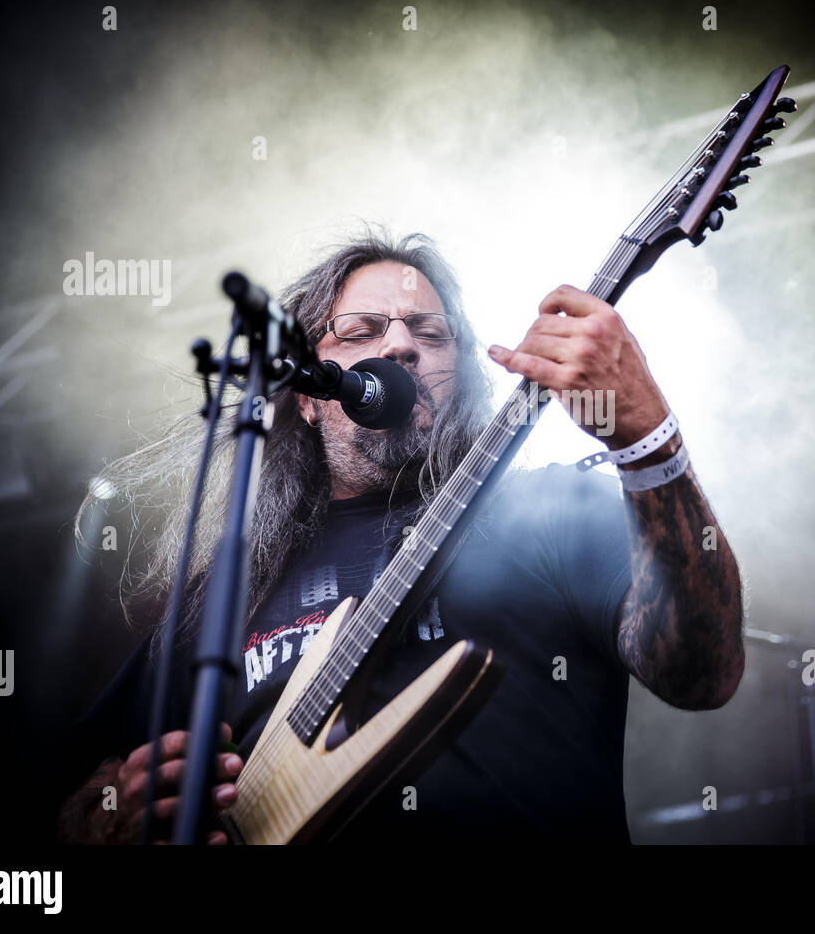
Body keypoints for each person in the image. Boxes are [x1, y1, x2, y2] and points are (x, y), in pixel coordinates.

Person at [55, 227, 743, 844]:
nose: (400, 344)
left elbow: (702, 673)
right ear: (308, 393)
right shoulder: (229, 593)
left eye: (429, 332)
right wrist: (100, 813)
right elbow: (71, 789)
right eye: (359, 331)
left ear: (461, 377)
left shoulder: (553, 507)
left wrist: (649, 443)